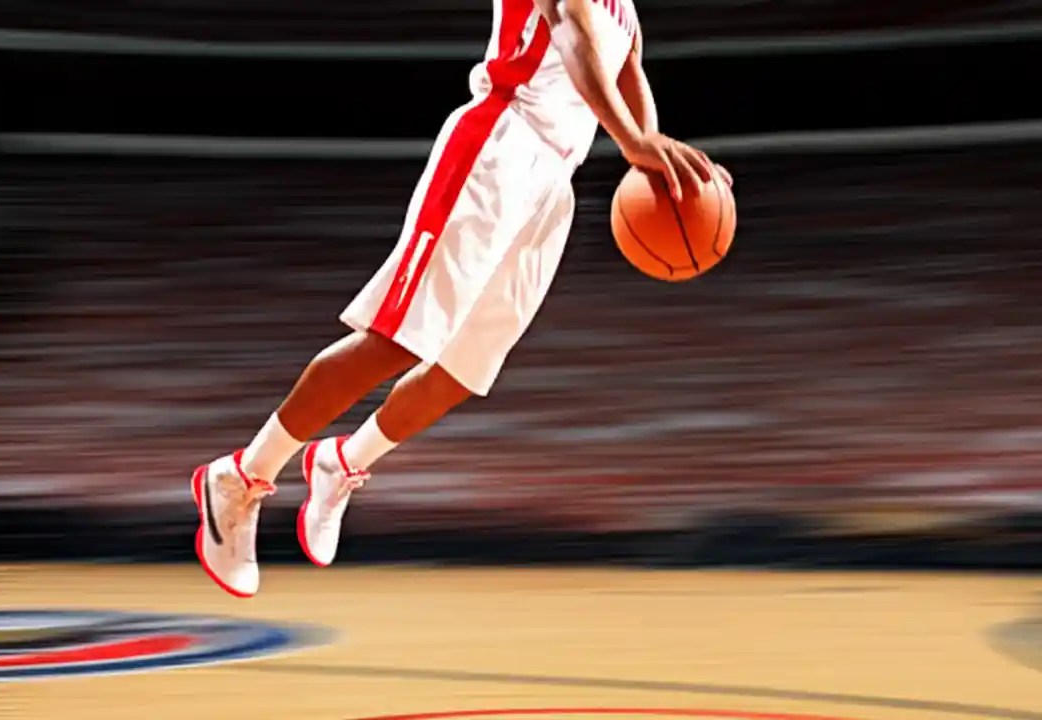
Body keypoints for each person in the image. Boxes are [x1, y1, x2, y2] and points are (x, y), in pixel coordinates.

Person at [191, 0, 731, 597]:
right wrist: (632, 141)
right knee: (395, 340)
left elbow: (628, 59)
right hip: (498, 146)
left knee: (460, 373)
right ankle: (241, 476)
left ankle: (342, 460)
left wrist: (653, 145)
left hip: (554, 182)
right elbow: (572, 31)